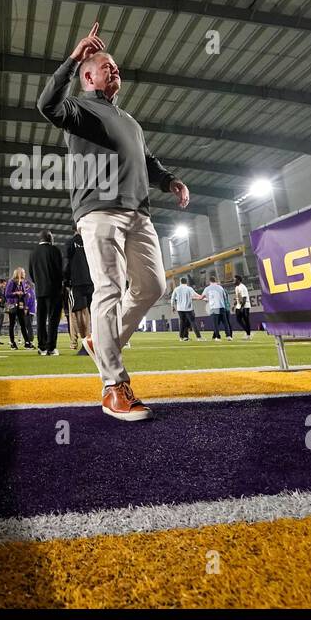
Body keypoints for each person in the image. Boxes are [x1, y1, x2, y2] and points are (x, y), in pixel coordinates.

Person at [38, 22, 190, 420]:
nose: (115, 70)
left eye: (117, 67)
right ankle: (113, 387)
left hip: (139, 212)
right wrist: (73, 58)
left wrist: (170, 181)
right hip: (98, 210)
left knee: (153, 286)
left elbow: (147, 161)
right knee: (108, 289)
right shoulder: (78, 109)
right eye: (107, 66)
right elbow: (47, 105)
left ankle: (101, 341)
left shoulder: (131, 121)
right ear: (88, 76)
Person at [29, 230, 65, 356]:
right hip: (54, 290)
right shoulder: (55, 250)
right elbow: (60, 271)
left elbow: (31, 273)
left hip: (39, 291)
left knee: (41, 319)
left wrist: (39, 283)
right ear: (50, 238)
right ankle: (51, 347)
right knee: (53, 320)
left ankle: (42, 347)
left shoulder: (33, 253)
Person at [65, 229, 93, 354]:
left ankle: (74, 342)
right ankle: (92, 340)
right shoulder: (90, 240)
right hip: (91, 281)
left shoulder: (71, 242)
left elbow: (67, 262)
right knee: (91, 313)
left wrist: (65, 279)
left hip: (76, 282)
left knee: (74, 314)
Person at [4, 268, 32, 350]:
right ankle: (12, 343)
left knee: (23, 324)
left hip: (20, 305)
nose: (24, 273)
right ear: (19, 273)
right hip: (12, 305)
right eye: (23, 272)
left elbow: (23, 293)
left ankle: (27, 343)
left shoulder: (23, 282)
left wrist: (25, 295)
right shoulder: (11, 282)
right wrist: (16, 293)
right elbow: (7, 294)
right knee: (12, 325)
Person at [171, 277, 204, 341]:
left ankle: (182, 337)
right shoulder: (189, 288)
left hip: (180, 309)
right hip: (188, 309)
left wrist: (172, 307)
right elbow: (195, 295)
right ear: (186, 282)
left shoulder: (176, 289)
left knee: (182, 323)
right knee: (193, 322)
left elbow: (172, 298)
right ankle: (199, 337)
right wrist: (202, 297)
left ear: (180, 282)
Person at [203, 274, 233, 341]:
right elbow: (225, 297)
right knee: (225, 322)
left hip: (214, 308)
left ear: (209, 281)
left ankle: (217, 337)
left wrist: (207, 300)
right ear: (215, 280)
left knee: (215, 323)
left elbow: (202, 297)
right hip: (222, 307)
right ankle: (228, 336)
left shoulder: (207, 288)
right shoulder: (220, 288)